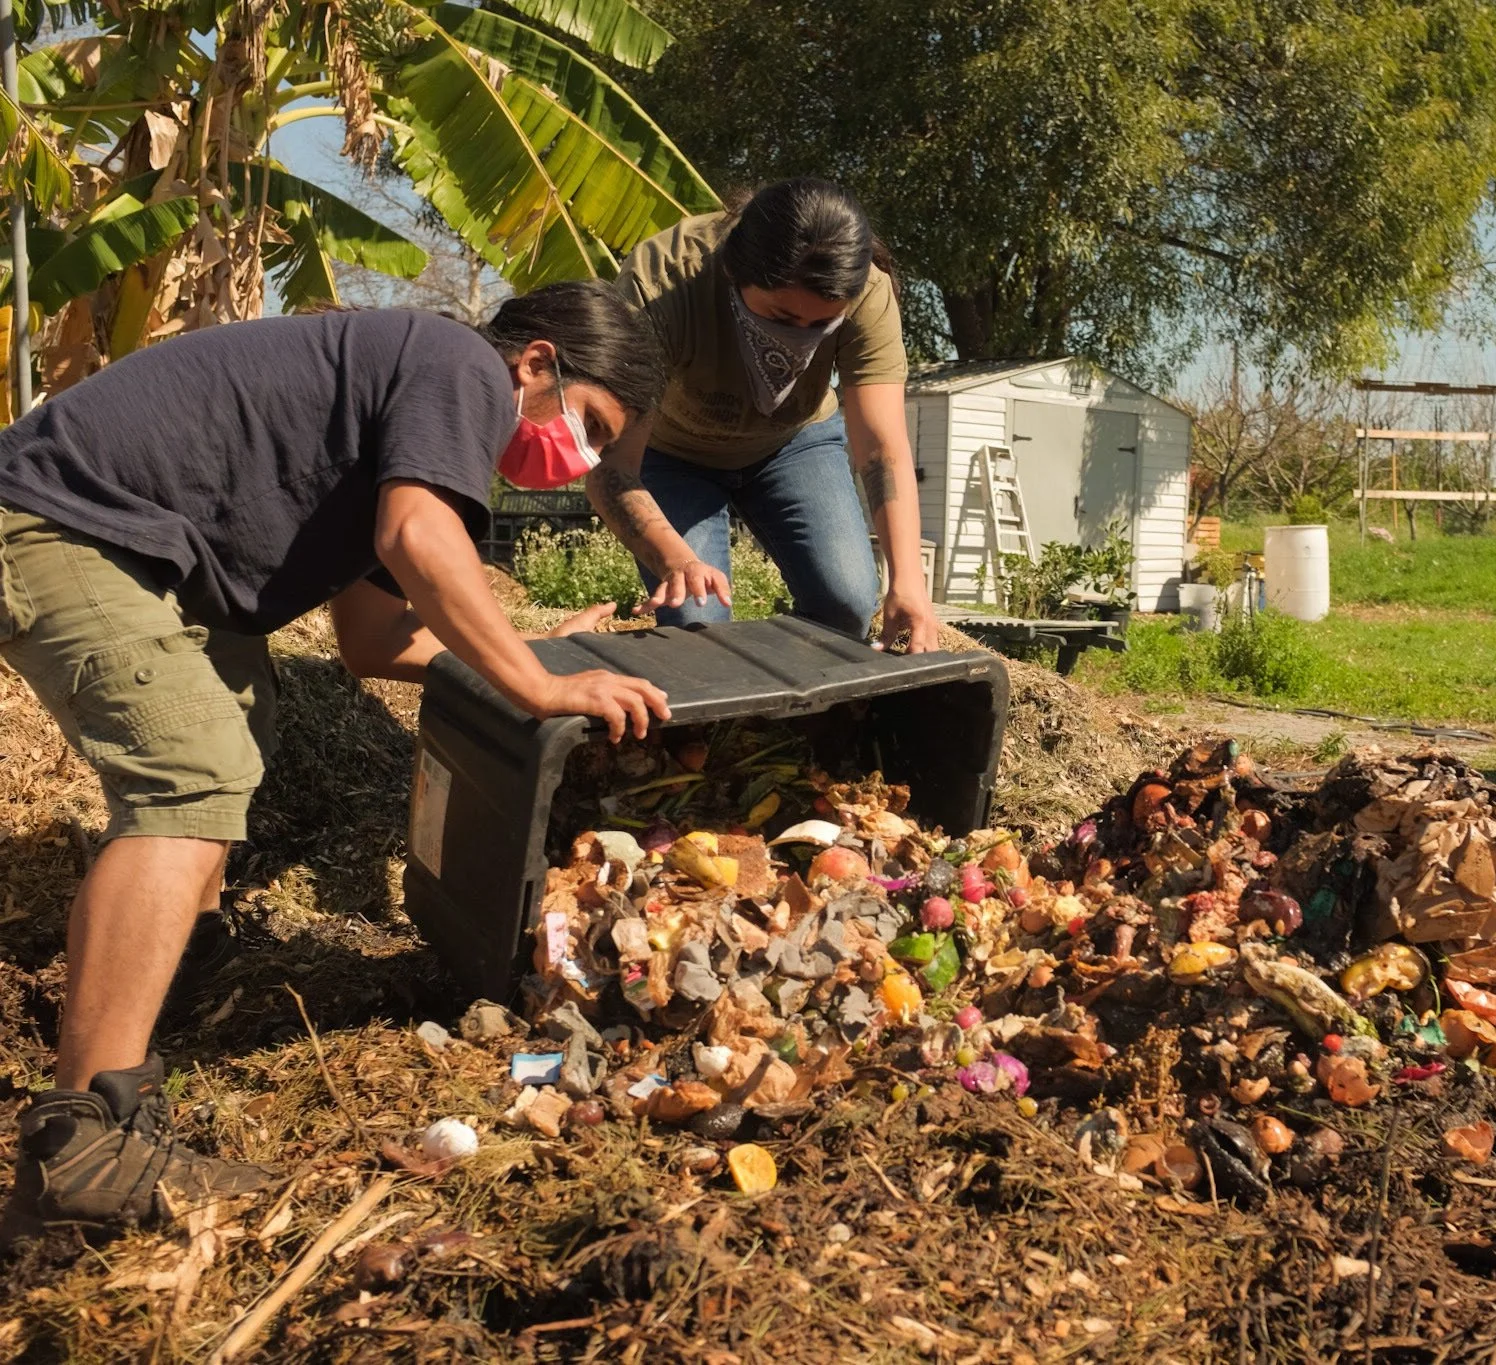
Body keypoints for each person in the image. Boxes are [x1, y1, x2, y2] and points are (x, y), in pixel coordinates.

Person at [0, 283, 672, 1249]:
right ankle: (82, 1147)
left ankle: (173, 964)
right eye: (594, 426)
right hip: (64, 522)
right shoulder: (458, 367)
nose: (587, 458)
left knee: (237, 712)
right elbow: (418, 538)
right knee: (191, 769)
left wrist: (533, 652)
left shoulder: (406, 415)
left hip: (138, 546)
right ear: (537, 363)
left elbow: (374, 639)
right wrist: (535, 682)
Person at [596, 177, 941, 651]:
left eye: (822, 324)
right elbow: (612, 466)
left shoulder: (866, 291)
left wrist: (909, 581)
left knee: (848, 605)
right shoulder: (662, 282)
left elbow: (881, 447)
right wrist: (678, 561)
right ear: (735, 274)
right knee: (699, 625)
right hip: (671, 455)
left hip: (794, 444)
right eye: (780, 318)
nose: (800, 336)